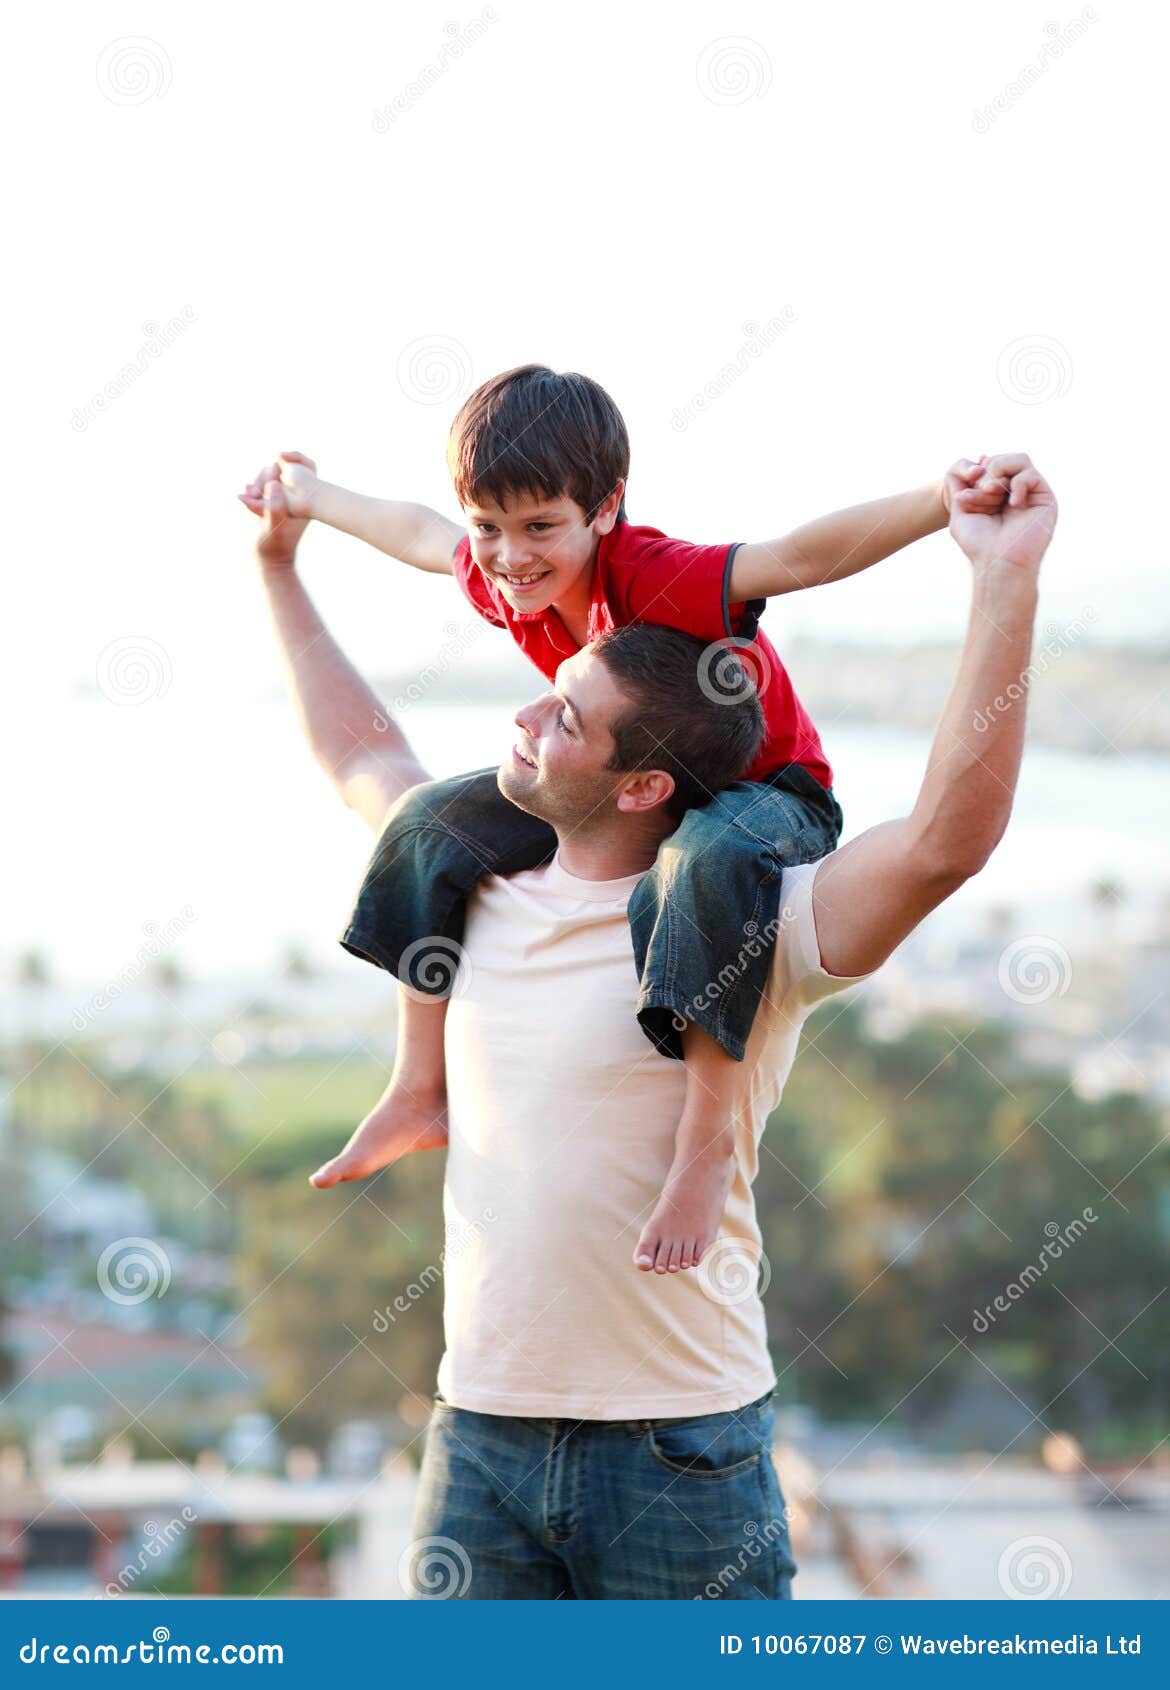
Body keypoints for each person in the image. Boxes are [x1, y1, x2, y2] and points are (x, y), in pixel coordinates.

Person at [248, 446, 1056, 1599]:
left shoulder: (757, 924)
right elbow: (360, 754)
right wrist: (282, 562)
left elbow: (944, 842)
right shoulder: (471, 882)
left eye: (567, 715)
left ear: (640, 786)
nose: (526, 712)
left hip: (680, 1451)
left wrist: (1003, 578)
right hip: (479, 1437)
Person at [240, 366, 1001, 1276]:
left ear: (605, 507)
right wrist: (312, 499)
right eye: (489, 526)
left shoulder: (653, 573)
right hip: (625, 781)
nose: (509, 556)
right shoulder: (503, 576)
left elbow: (799, 558)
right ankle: (417, 1084)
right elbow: (416, 532)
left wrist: (938, 500)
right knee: (427, 820)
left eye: (538, 528)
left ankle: (703, 1143)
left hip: (763, 797)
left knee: (700, 864)